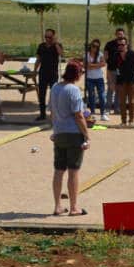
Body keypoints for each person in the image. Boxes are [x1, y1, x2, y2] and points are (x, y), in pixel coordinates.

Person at [49, 61, 89, 216]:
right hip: (73, 134)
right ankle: (74, 207)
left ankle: (57, 206)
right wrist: (86, 135)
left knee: (59, 170)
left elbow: (52, 112)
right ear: (77, 74)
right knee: (73, 171)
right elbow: (78, 115)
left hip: (59, 132)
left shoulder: (55, 87)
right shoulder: (74, 90)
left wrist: (55, 129)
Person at [34, 28, 64, 122]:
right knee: (41, 94)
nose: (47, 39)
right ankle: (42, 114)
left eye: (49, 37)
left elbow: (61, 54)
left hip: (53, 73)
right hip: (43, 73)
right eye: (46, 37)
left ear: (53, 37)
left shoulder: (57, 46)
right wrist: (35, 71)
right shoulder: (41, 46)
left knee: (54, 94)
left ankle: (54, 114)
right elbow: (38, 59)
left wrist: (55, 43)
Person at [114, 38, 134, 126]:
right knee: (122, 102)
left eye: (122, 45)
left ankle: (131, 120)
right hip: (121, 81)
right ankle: (123, 121)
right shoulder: (116, 55)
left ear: (126, 45)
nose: (120, 46)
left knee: (132, 101)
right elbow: (112, 68)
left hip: (132, 80)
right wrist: (111, 80)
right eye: (119, 45)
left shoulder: (132, 54)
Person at [104, 28, 126, 114]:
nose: (120, 35)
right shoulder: (110, 44)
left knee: (119, 90)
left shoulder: (125, 44)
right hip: (112, 69)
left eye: (121, 34)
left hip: (121, 70)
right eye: (118, 34)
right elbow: (106, 53)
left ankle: (117, 108)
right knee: (110, 88)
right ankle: (108, 108)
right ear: (115, 34)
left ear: (124, 35)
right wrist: (106, 61)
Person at [85, 39, 107, 120]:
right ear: (90, 46)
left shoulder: (100, 54)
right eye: (93, 46)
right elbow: (86, 66)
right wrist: (98, 65)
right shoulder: (87, 55)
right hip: (89, 78)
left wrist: (92, 65)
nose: (94, 48)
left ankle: (102, 113)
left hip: (99, 78)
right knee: (91, 95)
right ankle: (93, 112)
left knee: (101, 95)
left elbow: (104, 63)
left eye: (97, 47)